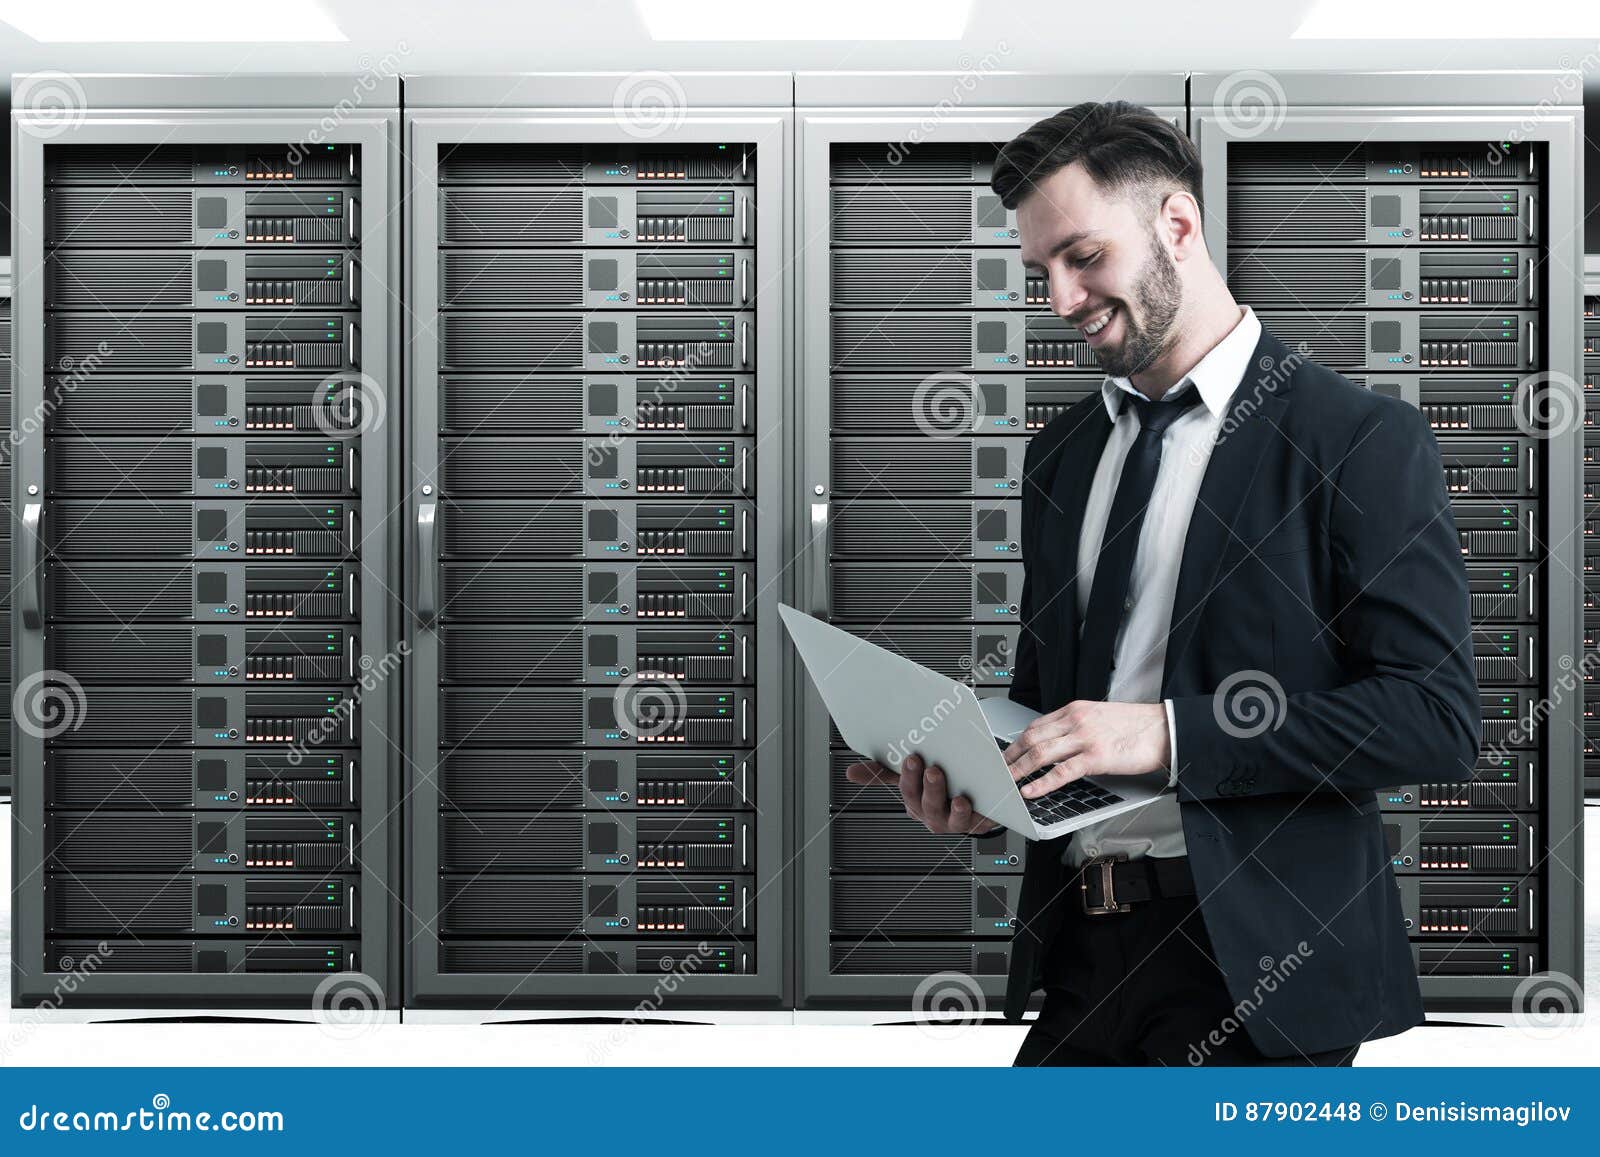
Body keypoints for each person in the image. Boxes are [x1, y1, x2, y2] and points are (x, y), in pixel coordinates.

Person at [846, 101, 1479, 1066]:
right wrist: (982, 782)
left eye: (1083, 257)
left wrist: (1172, 735)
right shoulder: (1062, 453)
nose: (1061, 299)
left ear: (1177, 224)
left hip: (1253, 963)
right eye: (1042, 270)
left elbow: (1433, 717)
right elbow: (1049, 699)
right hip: (1082, 952)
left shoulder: (1356, 439)